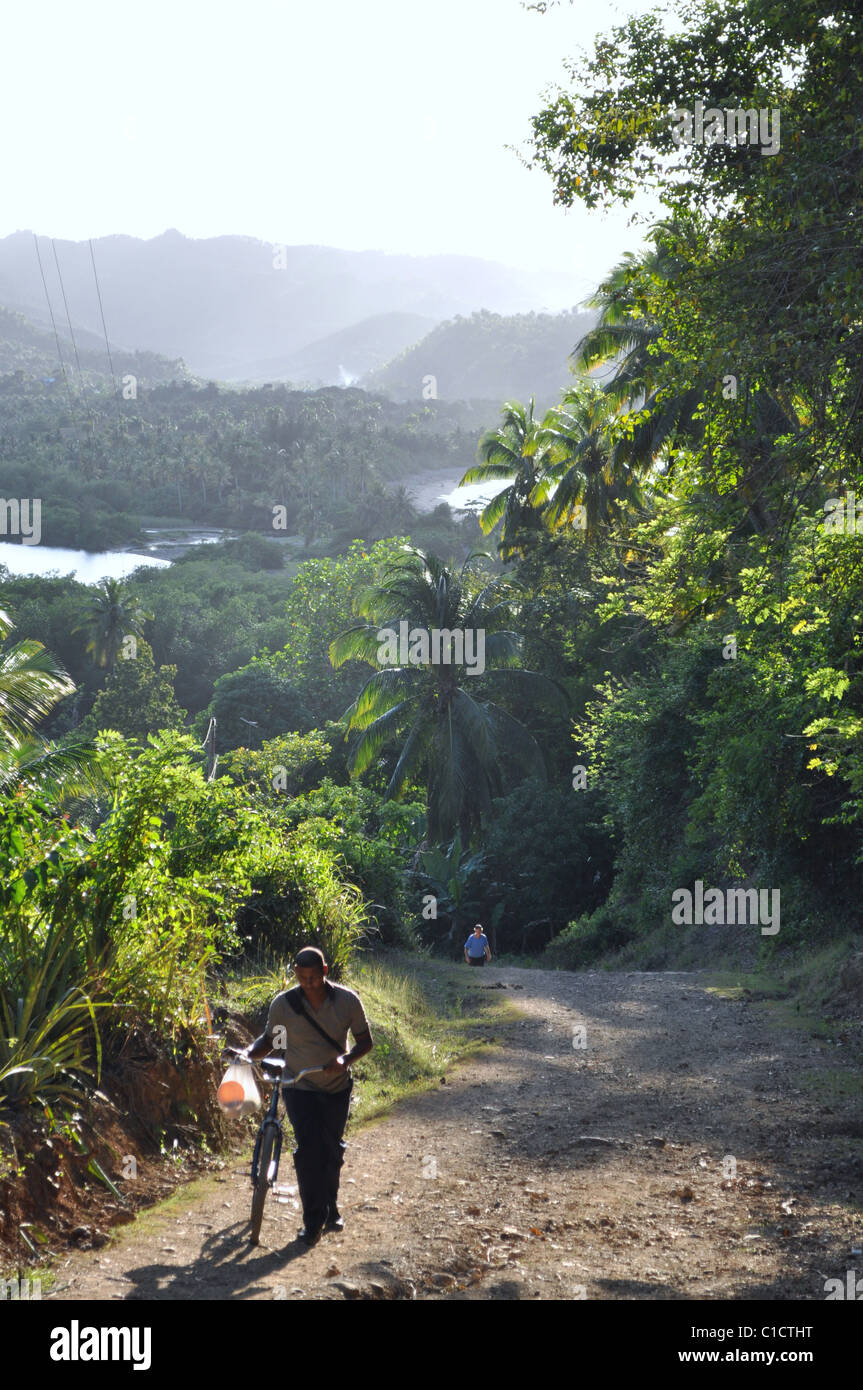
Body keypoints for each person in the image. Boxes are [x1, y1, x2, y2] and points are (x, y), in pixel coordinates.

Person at [245, 946, 373, 1247]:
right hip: (298, 1086)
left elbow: (365, 1042)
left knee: (331, 1152)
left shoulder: (347, 1001)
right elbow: (272, 1041)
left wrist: (344, 1060)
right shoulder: (284, 1005)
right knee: (308, 1152)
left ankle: (331, 1209)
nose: (309, 983)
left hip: (336, 1087)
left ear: (325, 972)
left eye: (314, 977)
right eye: (302, 978)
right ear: (295, 974)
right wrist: (246, 1053)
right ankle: (312, 1222)